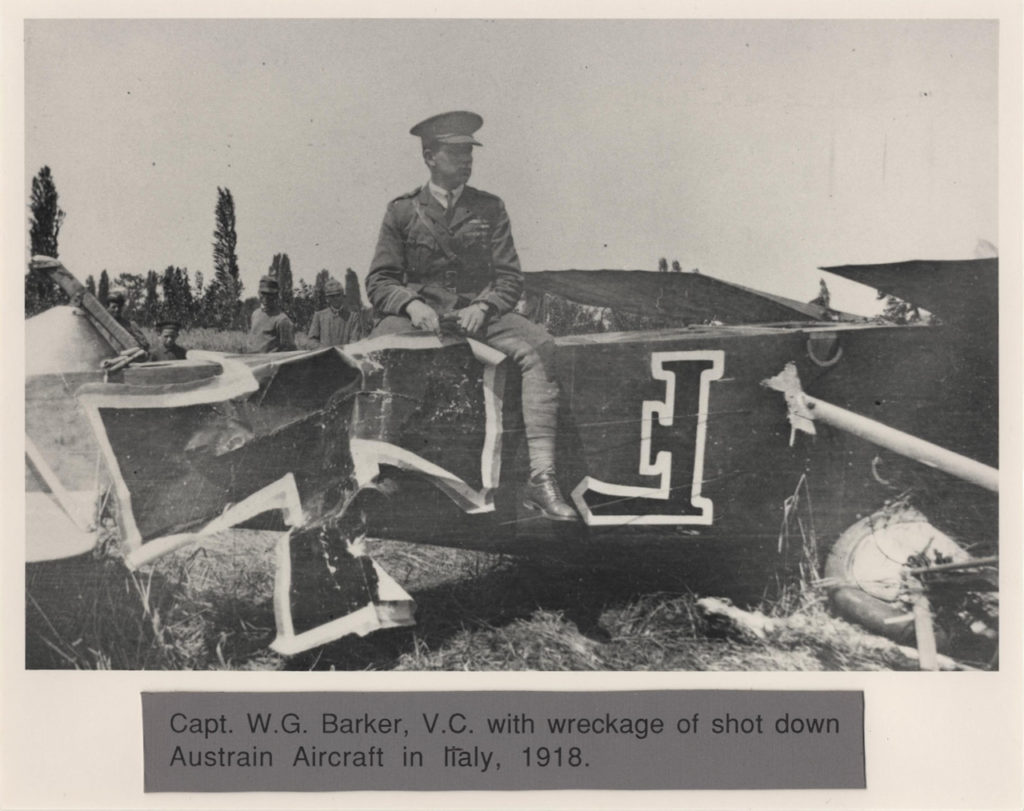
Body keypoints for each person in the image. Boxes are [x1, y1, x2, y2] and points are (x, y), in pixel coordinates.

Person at [366, 110, 577, 521]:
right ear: (430, 156)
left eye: (469, 153)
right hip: (421, 320)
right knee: (375, 349)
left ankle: (542, 478)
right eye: (456, 152)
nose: (467, 160)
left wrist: (485, 305)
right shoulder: (402, 212)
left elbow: (510, 278)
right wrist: (412, 304)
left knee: (541, 347)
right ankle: (378, 471)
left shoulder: (490, 208)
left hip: (482, 317)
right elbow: (379, 281)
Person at [306, 278, 365, 348]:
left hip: (345, 356)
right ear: (327, 298)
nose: (335, 298)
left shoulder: (352, 317)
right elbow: (311, 341)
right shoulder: (319, 316)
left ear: (343, 296)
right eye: (332, 296)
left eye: (338, 295)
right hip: (324, 356)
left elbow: (354, 340)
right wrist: (322, 349)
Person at [247, 275, 296, 353]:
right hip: (251, 361)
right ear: (258, 293)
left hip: (269, 363)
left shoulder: (282, 320)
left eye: (270, 294)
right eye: (263, 293)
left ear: (276, 295)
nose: (266, 297)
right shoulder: (255, 314)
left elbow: (289, 352)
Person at [106, 288, 150, 355]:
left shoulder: (131, 325)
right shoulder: (102, 324)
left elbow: (145, 345)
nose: (117, 309)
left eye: (119, 307)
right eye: (113, 307)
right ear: (107, 308)